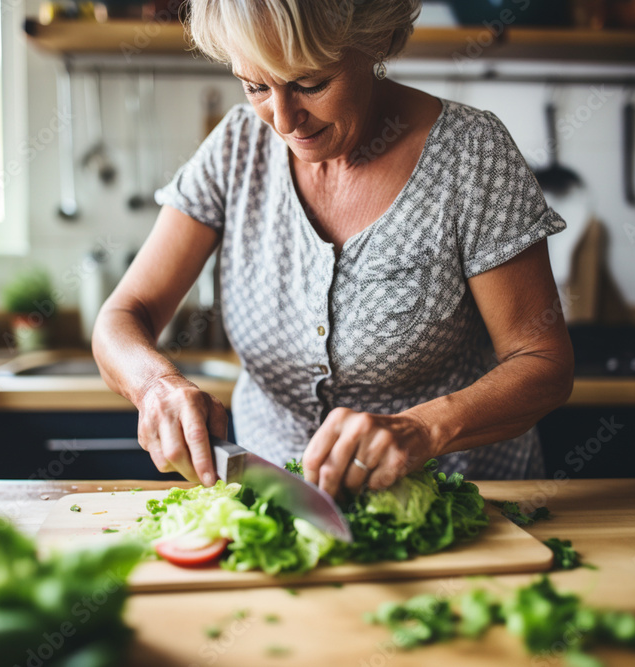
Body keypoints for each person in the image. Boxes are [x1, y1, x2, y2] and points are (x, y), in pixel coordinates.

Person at [93, 0, 574, 499]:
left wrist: (423, 429)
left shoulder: (472, 155)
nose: (283, 119)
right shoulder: (236, 147)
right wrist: (154, 385)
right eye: (256, 86)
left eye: (310, 84)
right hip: (282, 506)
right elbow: (125, 314)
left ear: (374, 43)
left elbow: (543, 362)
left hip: (462, 503)